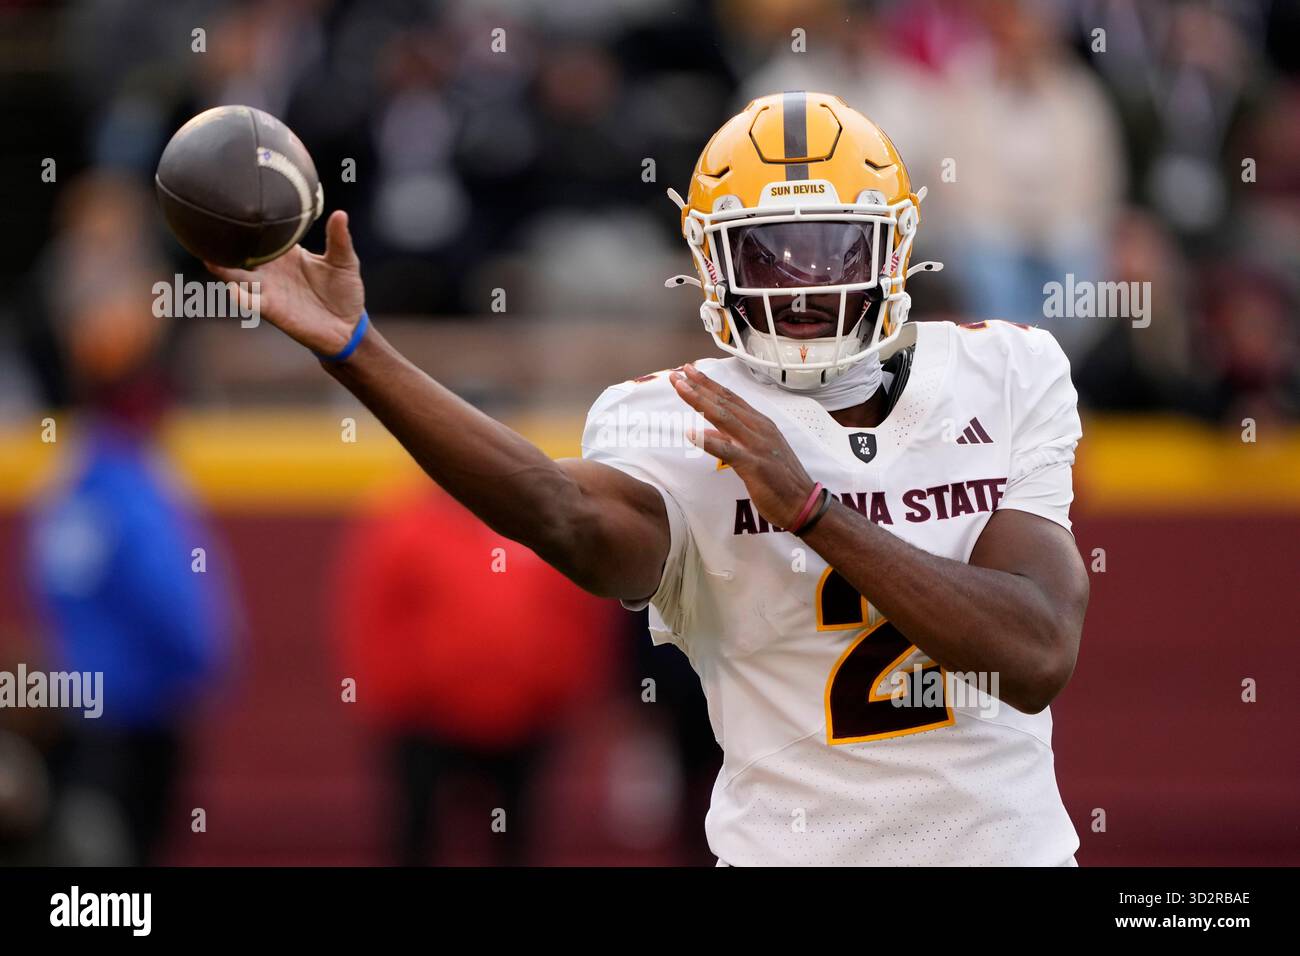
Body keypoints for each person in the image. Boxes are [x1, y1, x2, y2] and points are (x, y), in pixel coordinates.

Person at [208, 92, 1089, 866]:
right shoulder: (678, 417)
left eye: (832, 250)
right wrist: (360, 354)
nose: (802, 289)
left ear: (894, 248)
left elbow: (1035, 655)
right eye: (766, 257)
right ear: (711, 266)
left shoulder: (1006, 374)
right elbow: (558, 512)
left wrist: (816, 513)